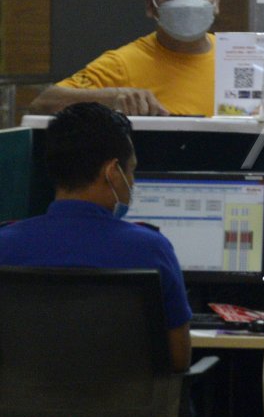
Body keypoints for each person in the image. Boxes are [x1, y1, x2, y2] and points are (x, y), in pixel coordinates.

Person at [0, 103, 192, 372]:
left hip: (25, 400)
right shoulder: (151, 249)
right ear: (113, 172)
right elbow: (179, 359)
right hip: (125, 400)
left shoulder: (5, 244)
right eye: (131, 170)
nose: (132, 182)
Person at [30, 0, 221, 116]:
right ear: (150, 4)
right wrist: (111, 98)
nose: (189, 3)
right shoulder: (123, 65)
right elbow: (42, 105)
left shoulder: (234, 58)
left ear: (217, 0)